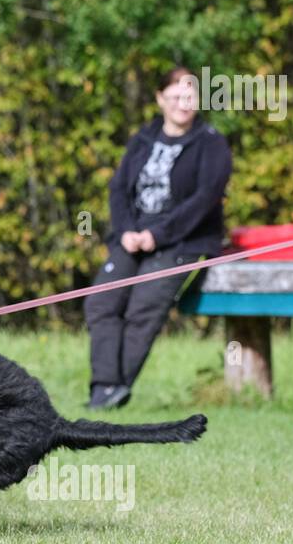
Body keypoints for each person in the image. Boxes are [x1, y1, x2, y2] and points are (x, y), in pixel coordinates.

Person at [84, 67, 232, 409]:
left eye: (190, 96)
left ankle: (113, 390)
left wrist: (157, 234)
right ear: (160, 99)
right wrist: (126, 233)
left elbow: (205, 198)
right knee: (100, 302)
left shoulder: (211, 143)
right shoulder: (143, 138)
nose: (183, 103)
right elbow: (119, 188)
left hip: (182, 240)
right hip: (133, 235)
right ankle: (105, 387)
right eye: (176, 96)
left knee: (143, 308)